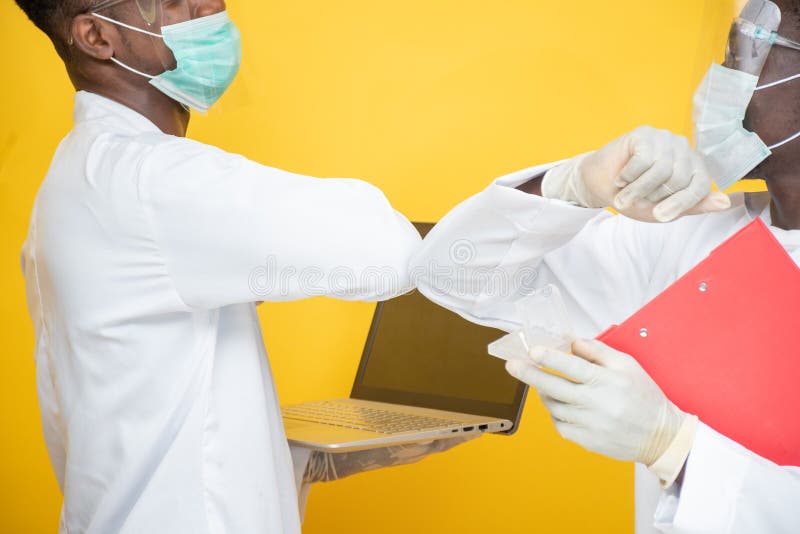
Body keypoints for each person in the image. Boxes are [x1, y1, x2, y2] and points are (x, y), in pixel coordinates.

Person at [14, 0, 731, 532]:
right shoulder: (149, 181)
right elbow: (392, 253)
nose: (212, 9)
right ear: (98, 36)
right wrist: (571, 185)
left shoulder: (74, 183)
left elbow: (117, 405)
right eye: (177, 1)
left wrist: (291, 454)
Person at [413, 0, 800, 532]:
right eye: (727, 54)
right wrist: (575, 185)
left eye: (747, 56)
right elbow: (451, 276)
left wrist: (677, 448)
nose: (721, 83)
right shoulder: (688, 237)